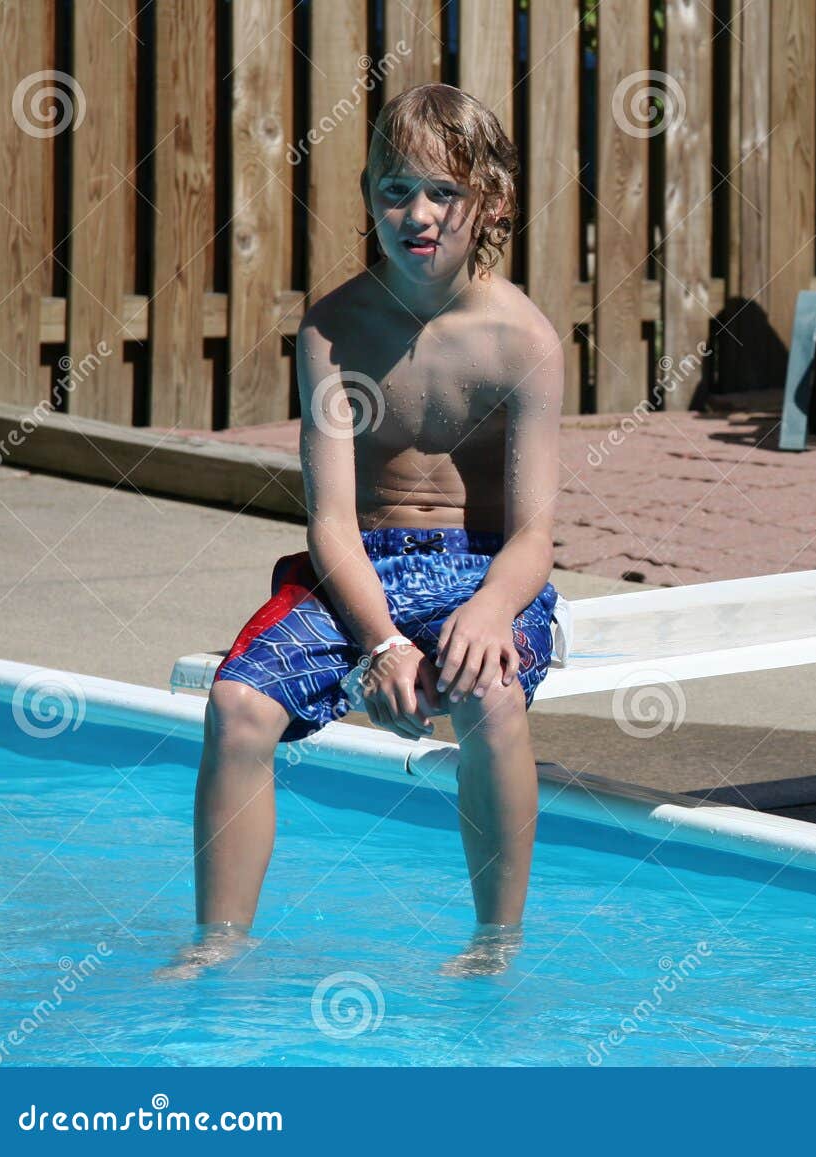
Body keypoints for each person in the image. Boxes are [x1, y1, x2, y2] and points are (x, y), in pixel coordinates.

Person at [165, 84, 565, 979]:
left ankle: (494, 944)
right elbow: (331, 522)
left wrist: (495, 609)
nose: (415, 214)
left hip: (479, 573)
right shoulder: (333, 329)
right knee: (235, 705)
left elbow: (536, 535)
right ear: (366, 195)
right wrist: (380, 641)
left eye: (441, 192)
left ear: (491, 201)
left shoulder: (522, 340)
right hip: (358, 571)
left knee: (490, 698)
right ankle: (218, 944)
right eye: (393, 189)